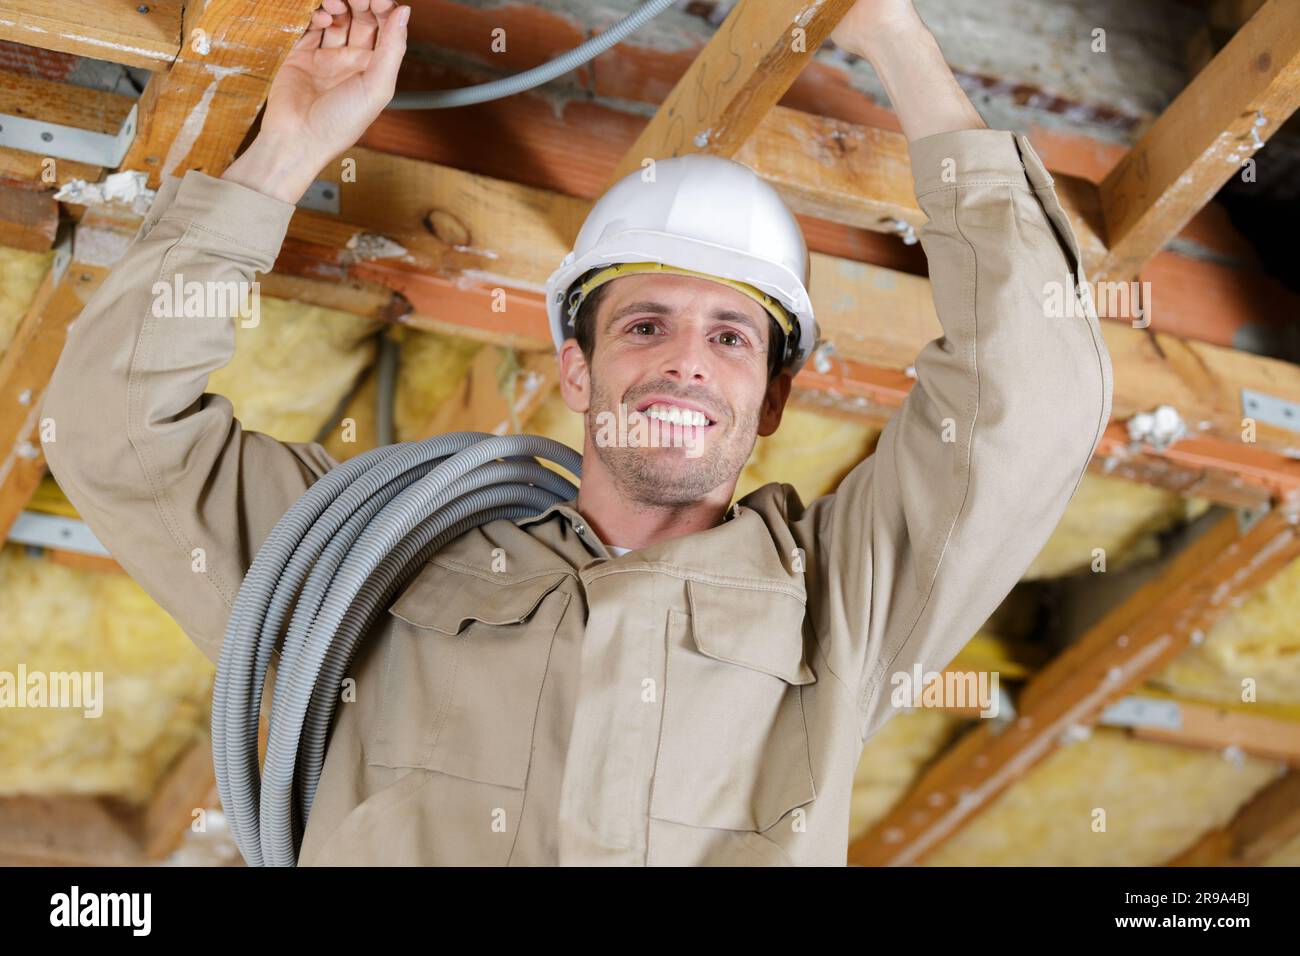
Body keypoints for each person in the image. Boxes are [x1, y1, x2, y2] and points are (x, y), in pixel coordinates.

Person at [41, 0, 1112, 865]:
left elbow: (1035, 390)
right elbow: (111, 426)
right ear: (576, 366)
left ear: (771, 401)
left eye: (732, 336)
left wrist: (891, 33)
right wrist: (288, 152)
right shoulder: (368, 567)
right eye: (644, 324)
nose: (686, 359)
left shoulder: (838, 604)